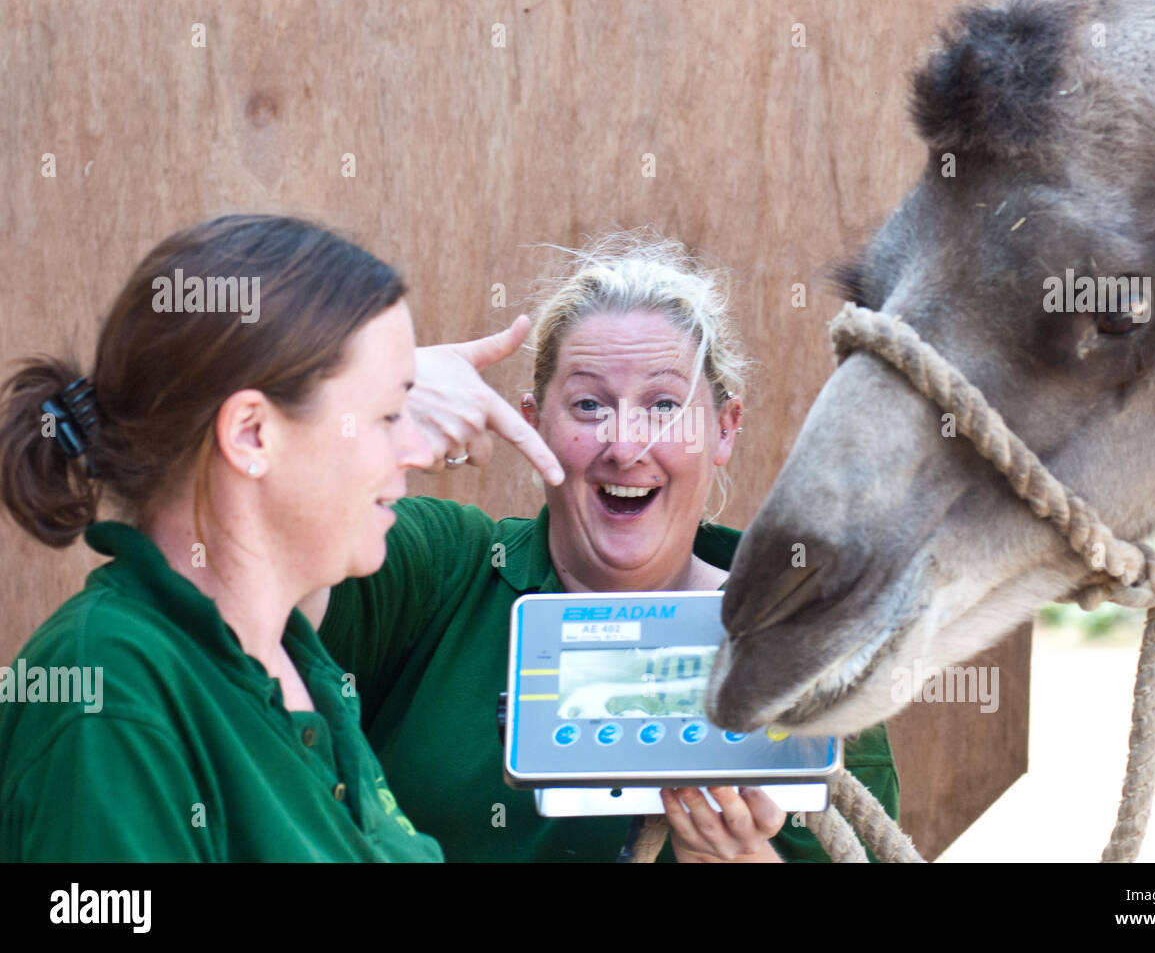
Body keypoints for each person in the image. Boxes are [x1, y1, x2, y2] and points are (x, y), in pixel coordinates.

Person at [306, 234, 901, 862]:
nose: (625, 444)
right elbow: (238, 558)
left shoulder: (810, 645)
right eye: (588, 405)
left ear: (724, 429)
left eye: (665, 406)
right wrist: (373, 401)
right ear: (535, 423)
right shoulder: (438, 573)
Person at [0, 214, 454, 861]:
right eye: (387, 415)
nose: (416, 448)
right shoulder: (111, 689)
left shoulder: (297, 660)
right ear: (250, 434)